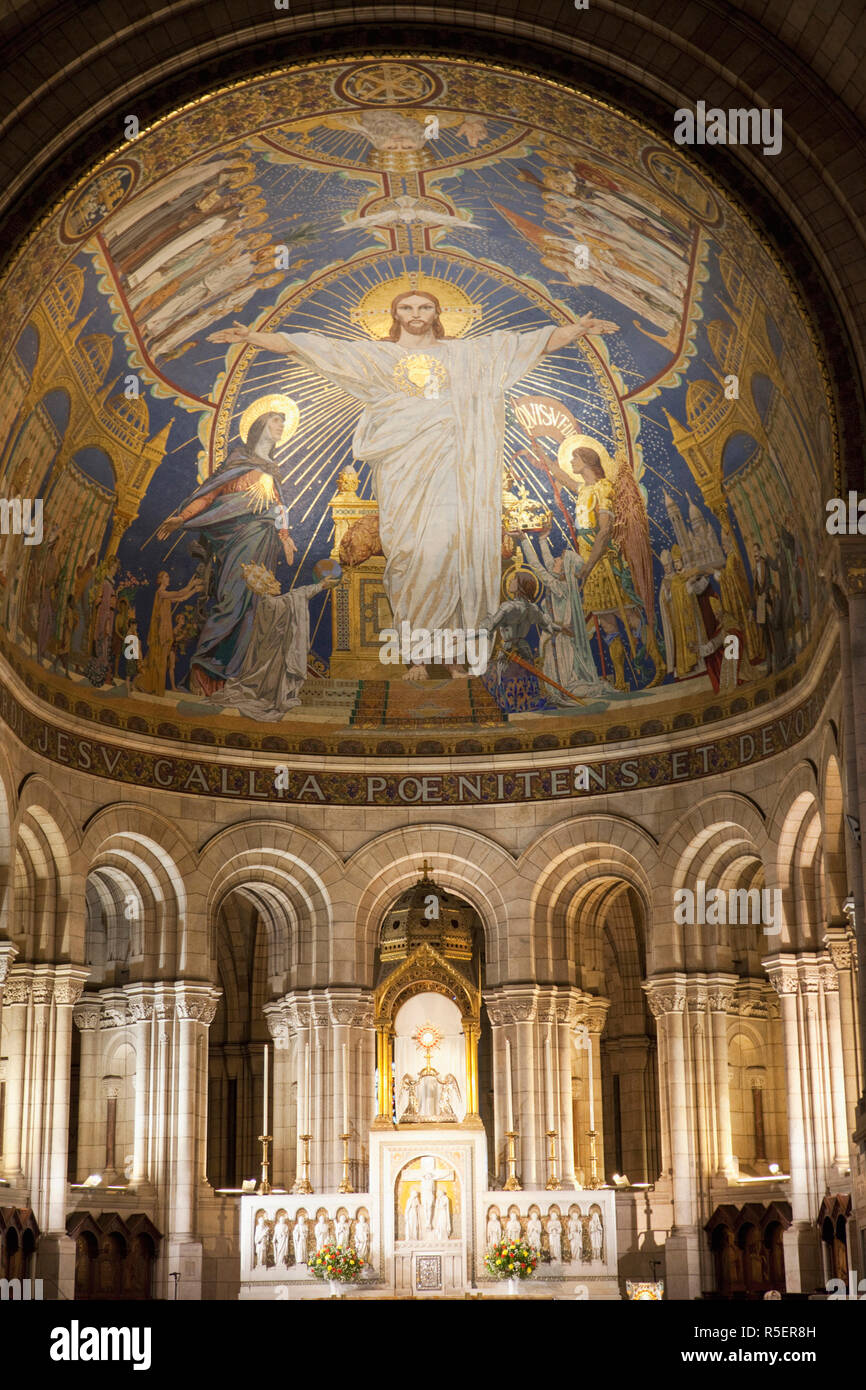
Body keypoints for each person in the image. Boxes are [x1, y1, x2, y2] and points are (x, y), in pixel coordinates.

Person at [210, 297, 616, 680]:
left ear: (437, 312)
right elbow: (319, 349)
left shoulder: (465, 355)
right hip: (403, 474)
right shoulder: (379, 357)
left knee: (457, 554)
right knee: (409, 556)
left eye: (425, 307)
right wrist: (253, 338)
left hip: (454, 476)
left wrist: (575, 330)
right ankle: (418, 655)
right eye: (406, 307)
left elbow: (524, 345)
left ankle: (458, 656)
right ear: (396, 314)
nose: (415, 313)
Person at [156, 411, 296, 694]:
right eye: (276, 421)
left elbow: (279, 506)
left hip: (263, 539)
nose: (281, 426)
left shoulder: (274, 469)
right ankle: (205, 668)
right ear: (260, 426)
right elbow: (209, 495)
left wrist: (285, 536)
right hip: (237, 540)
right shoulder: (237, 461)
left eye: (284, 422)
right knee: (232, 601)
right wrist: (182, 518)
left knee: (253, 609)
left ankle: (235, 676)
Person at [208, 562, 339, 720]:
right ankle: (276, 699)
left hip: (271, 654)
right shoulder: (272, 603)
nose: (279, 583)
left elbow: (293, 598)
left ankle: (277, 697)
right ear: (266, 586)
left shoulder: (266, 603)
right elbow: (297, 596)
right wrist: (321, 586)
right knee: (270, 689)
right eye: (274, 582)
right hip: (275, 655)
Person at [517, 527, 613, 701]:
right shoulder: (559, 582)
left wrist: (524, 539)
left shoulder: (560, 588)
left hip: (560, 640)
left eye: (560, 558)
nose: (556, 559)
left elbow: (537, 566)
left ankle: (575, 691)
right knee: (557, 681)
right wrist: (542, 540)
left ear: (565, 569)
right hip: (553, 637)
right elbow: (546, 563)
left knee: (564, 684)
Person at [135, 570, 202, 696]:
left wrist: (194, 590)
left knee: (163, 663)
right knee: (160, 662)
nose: (168, 578)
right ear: (160, 579)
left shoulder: (165, 595)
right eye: (166, 576)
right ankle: (157, 690)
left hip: (166, 632)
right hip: (161, 633)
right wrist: (191, 584)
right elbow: (179, 592)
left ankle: (157, 689)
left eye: (168, 576)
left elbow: (182, 598)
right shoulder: (161, 593)